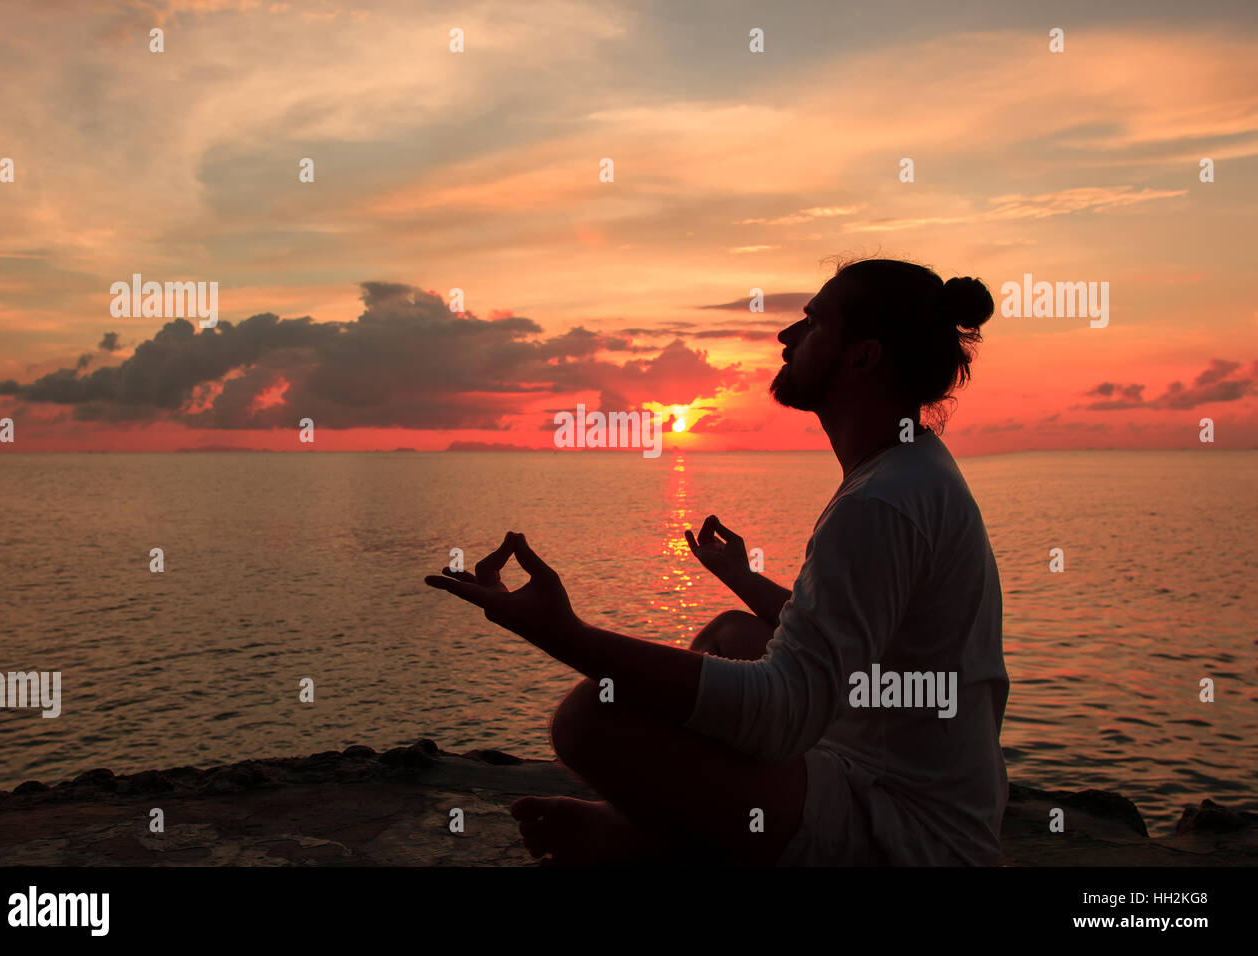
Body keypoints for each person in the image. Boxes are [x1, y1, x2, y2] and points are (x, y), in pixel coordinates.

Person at [425, 257, 1009, 866]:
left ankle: (645, 841)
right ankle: (652, 830)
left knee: (589, 721)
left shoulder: (882, 500)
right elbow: (861, 638)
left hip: (908, 829)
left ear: (863, 356)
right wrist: (742, 577)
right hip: (910, 778)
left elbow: (785, 712)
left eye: (811, 324)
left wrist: (561, 632)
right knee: (735, 632)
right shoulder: (911, 469)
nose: (787, 337)